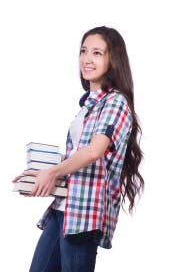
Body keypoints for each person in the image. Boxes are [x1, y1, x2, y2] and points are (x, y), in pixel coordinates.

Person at [23, 26, 144, 271]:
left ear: (113, 60)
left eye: (97, 53)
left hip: (83, 215)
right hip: (62, 208)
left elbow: (94, 151)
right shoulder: (88, 105)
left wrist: (53, 172)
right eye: (83, 51)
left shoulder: (115, 102)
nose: (87, 59)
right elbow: (76, 160)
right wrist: (40, 177)